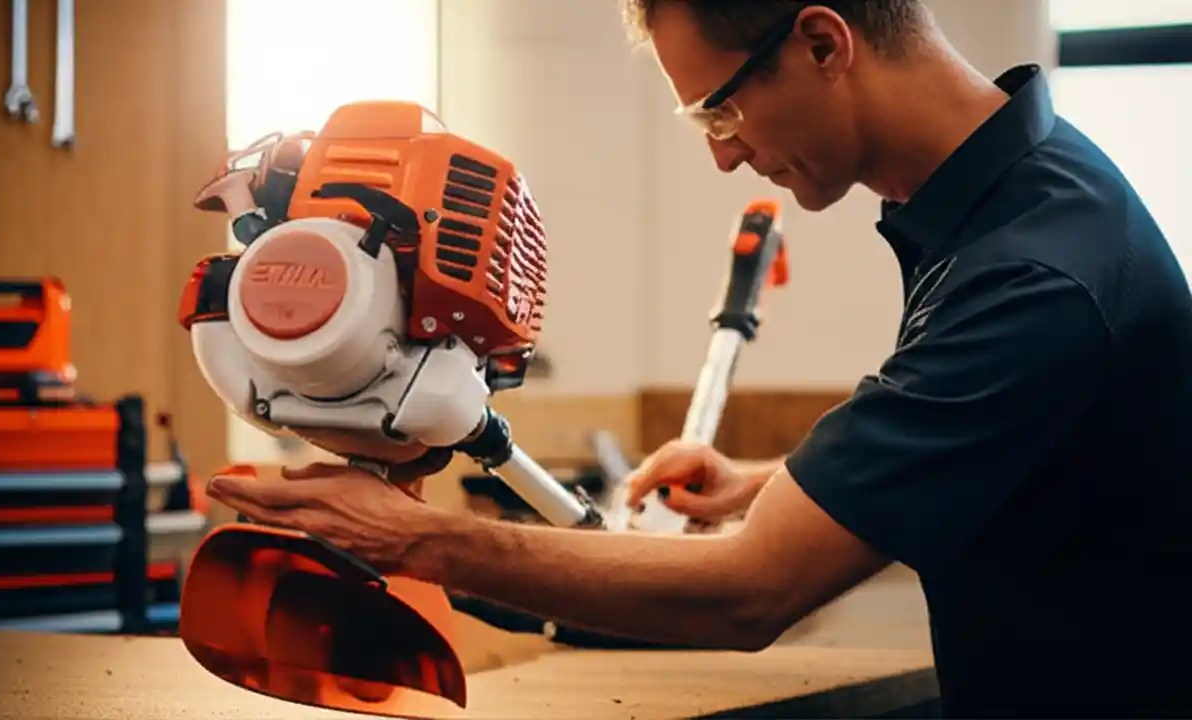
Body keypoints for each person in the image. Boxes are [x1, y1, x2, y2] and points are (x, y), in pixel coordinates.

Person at [205, 1, 1192, 716]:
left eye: (717, 113)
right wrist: (771, 483)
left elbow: (747, 593)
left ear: (820, 42)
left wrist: (414, 541)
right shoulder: (1022, 200)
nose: (721, 156)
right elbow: (1021, 458)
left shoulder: (1031, 275)